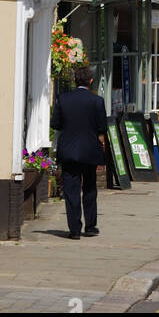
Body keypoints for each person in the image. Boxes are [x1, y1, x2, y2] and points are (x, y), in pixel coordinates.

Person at [51, 65, 107, 239]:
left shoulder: (63, 99)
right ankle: (90, 227)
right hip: (90, 151)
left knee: (72, 190)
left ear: (74, 80)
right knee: (90, 188)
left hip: (69, 151)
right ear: (91, 81)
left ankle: (74, 230)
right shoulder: (97, 101)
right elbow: (102, 127)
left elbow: (55, 124)